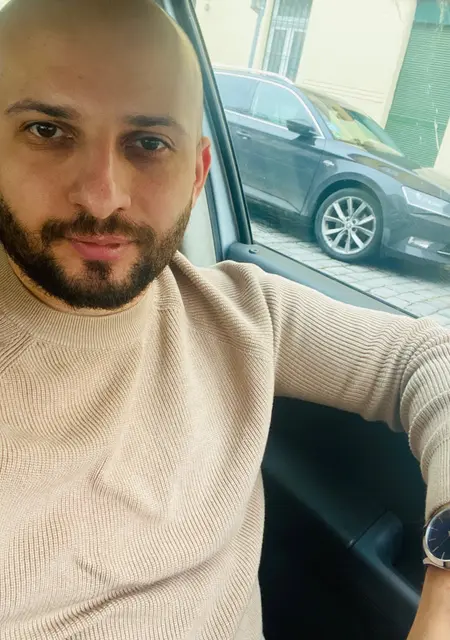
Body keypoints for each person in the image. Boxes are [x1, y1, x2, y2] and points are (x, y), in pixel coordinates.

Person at [0, 0, 448, 638]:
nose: (101, 196)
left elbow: (427, 357)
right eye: (48, 130)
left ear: (196, 174)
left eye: (149, 143)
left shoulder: (242, 314)